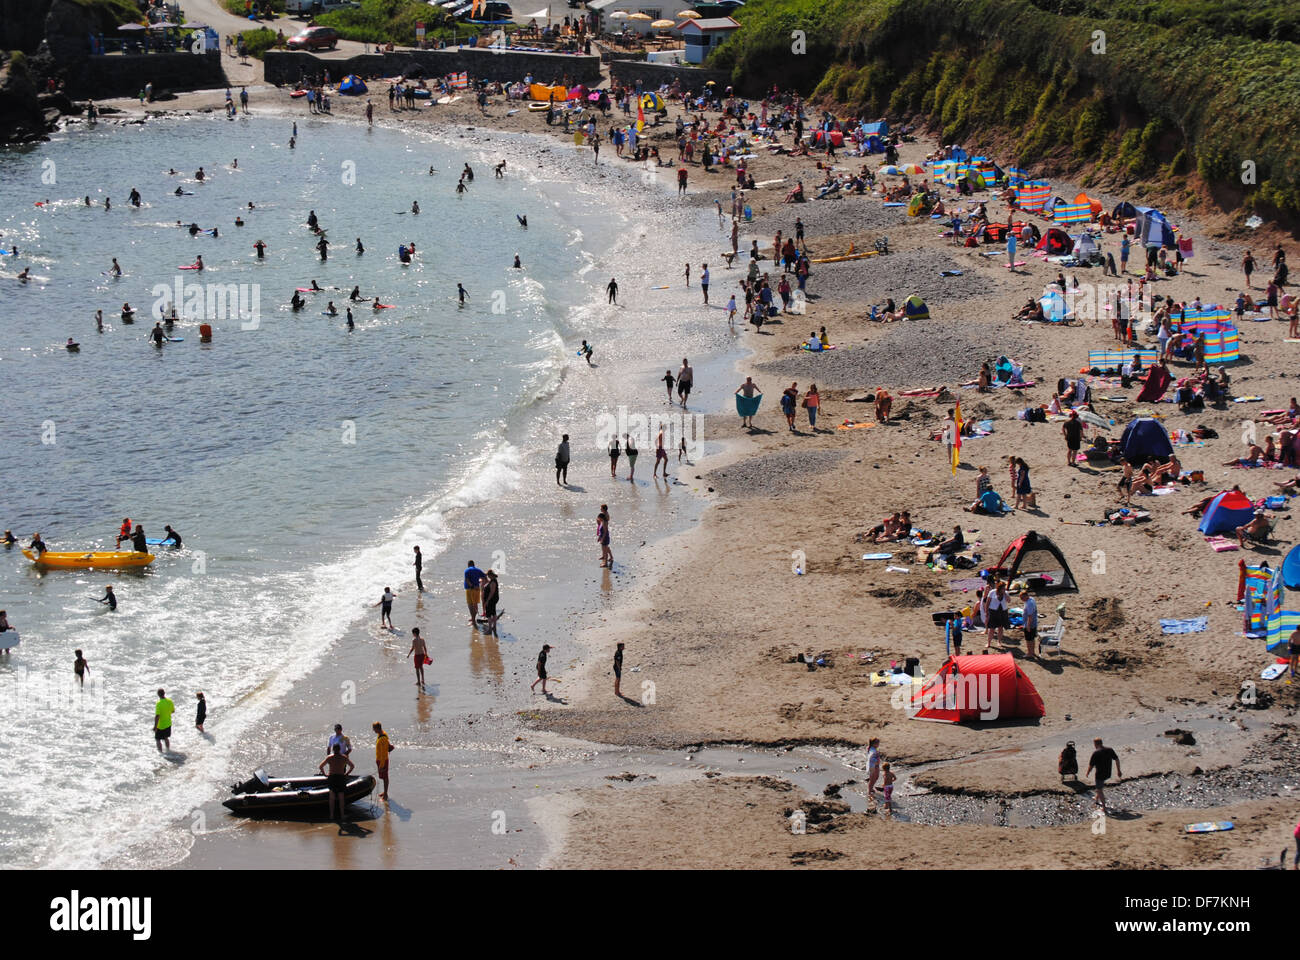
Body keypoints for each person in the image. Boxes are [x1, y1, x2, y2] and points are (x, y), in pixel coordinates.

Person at [319, 743, 355, 822]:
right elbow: (352, 766)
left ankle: (331, 815)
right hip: (341, 777)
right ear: (339, 749)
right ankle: (342, 815)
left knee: (332, 797)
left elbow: (321, 766)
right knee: (341, 797)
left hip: (332, 777)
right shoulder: (344, 757)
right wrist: (347, 773)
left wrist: (325, 774)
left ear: (333, 749)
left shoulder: (329, 758)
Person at [1086, 737, 1122, 814]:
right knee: (1099, 786)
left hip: (1100, 774)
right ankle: (1096, 798)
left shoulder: (1096, 753)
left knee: (1099, 789)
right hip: (1108, 773)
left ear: (1095, 744)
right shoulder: (1110, 750)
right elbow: (1116, 759)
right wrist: (1119, 770)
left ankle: (1104, 807)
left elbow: (1091, 765)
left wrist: (1088, 772)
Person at [373, 721, 393, 801]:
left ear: (377, 728)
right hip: (379, 760)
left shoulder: (383, 738)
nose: (373, 730)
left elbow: (384, 754)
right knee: (383, 777)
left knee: (385, 777)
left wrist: (381, 766)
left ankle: (386, 794)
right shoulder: (381, 734)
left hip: (383, 761)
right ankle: (385, 792)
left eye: (374, 729)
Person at [464, 560, 486, 625]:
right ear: (474, 564)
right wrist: (479, 582)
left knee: (470, 605)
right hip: (477, 590)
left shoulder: (467, 570)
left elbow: (467, 580)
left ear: (468, 565)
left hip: (470, 589)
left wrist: (472, 586)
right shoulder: (478, 570)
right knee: (475, 604)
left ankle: (473, 621)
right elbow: (484, 577)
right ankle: (473, 618)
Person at [154, 688, 175, 753]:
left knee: (158, 739)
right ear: (164, 693)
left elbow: (157, 716)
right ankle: (168, 750)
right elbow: (173, 711)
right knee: (166, 738)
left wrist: (155, 726)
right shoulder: (170, 701)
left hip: (160, 725)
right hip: (168, 723)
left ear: (158, 694)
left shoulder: (159, 703)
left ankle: (160, 753)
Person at [1022, 590, 1038, 658]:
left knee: (1028, 640)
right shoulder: (1031, 599)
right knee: (1032, 639)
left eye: (1022, 598)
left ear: (1026, 596)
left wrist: (1028, 626)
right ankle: (1032, 652)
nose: (1022, 600)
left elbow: (1030, 616)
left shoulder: (1029, 603)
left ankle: (1029, 653)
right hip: (1033, 623)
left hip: (1030, 624)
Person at [866, 738, 881, 803]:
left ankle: (871, 788)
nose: (878, 744)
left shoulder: (873, 749)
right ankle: (869, 791)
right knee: (873, 778)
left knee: (876, 777)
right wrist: (876, 761)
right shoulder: (872, 751)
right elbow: (870, 759)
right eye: (877, 743)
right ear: (874, 744)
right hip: (873, 766)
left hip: (875, 766)